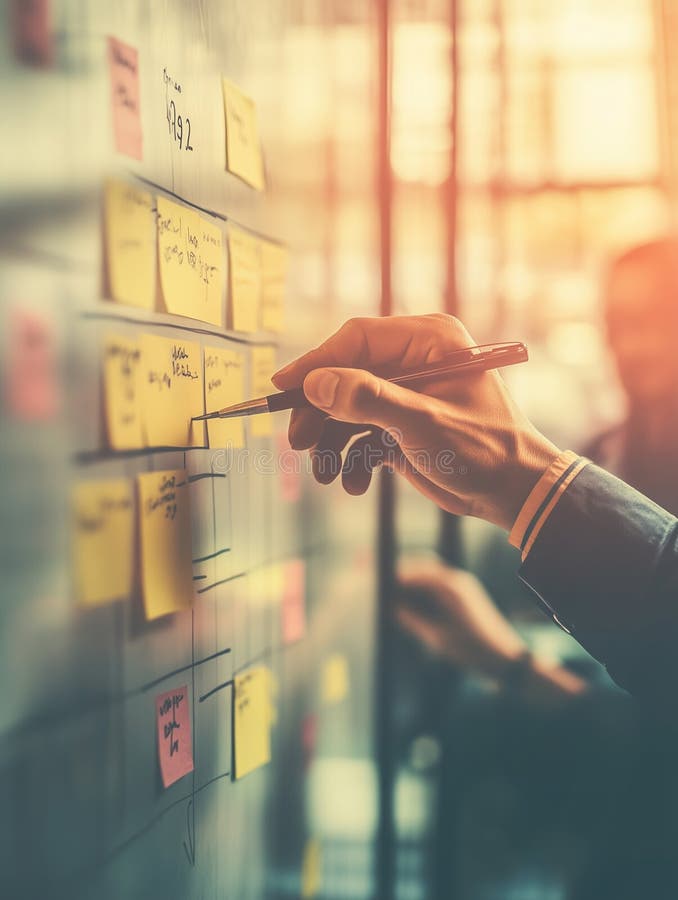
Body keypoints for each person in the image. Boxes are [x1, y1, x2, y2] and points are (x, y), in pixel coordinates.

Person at [273, 312, 678, 705]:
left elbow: (652, 745)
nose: (632, 345)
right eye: (618, 322)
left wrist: (511, 664)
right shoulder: (604, 450)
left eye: (654, 320)